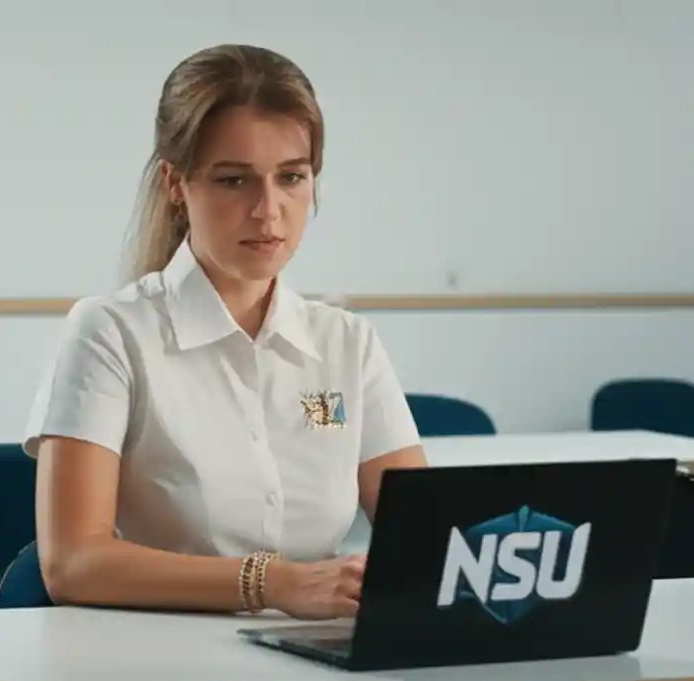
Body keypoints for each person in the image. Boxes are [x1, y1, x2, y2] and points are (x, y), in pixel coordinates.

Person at [23, 44, 427, 619]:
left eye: (292, 177)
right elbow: (73, 564)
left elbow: (425, 537)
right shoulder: (110, 332)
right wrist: (271, 584)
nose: (269, 210)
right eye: (235, 181)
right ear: (175, 184)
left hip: (315, 658)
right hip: (151, 662)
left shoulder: (348, 343)